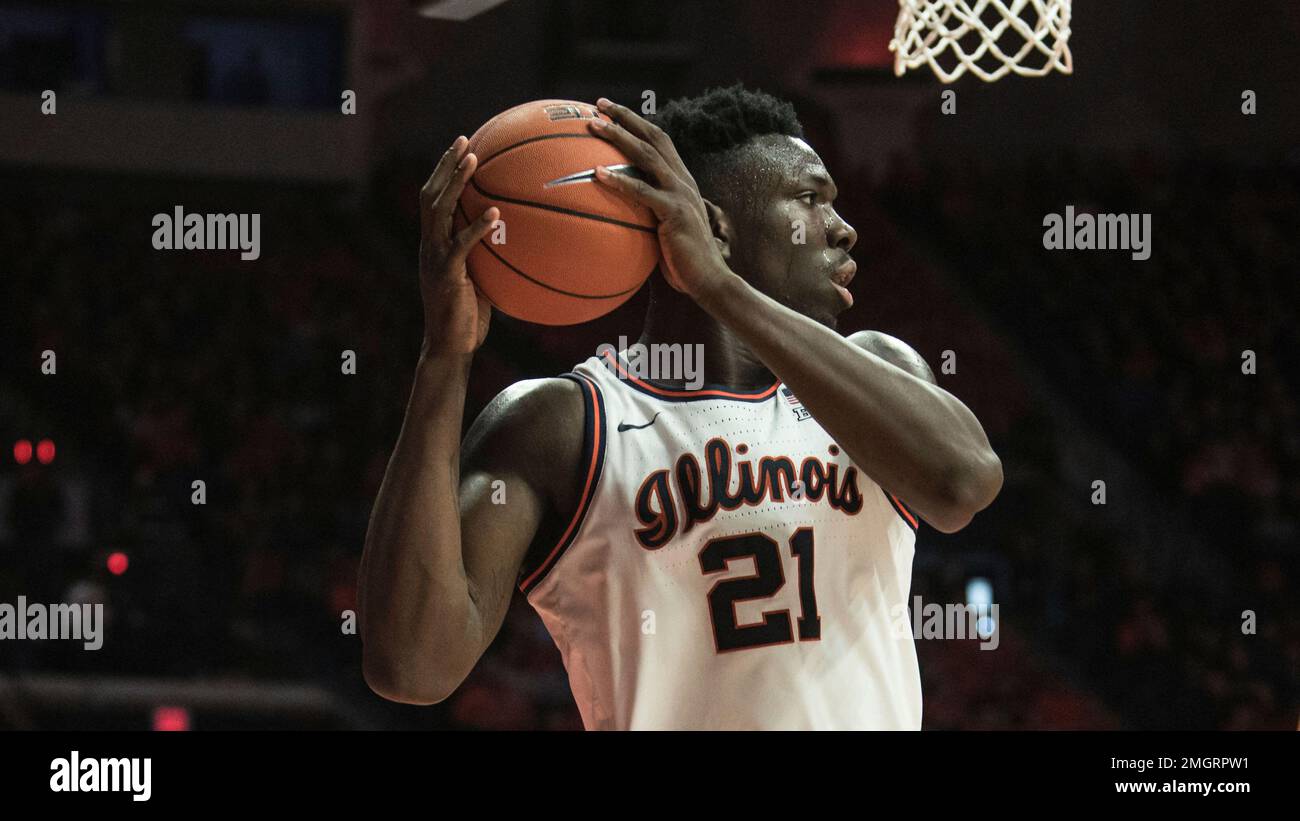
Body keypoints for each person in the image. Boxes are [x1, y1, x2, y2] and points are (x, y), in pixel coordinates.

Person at [358, 84, 1003, 729]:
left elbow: (964, 482)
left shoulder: (880, 373)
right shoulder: (562, 425)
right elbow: (413, 668)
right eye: (811, 199)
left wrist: (719, 287)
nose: (844, 228)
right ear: (714, 227)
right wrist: (444, 359)